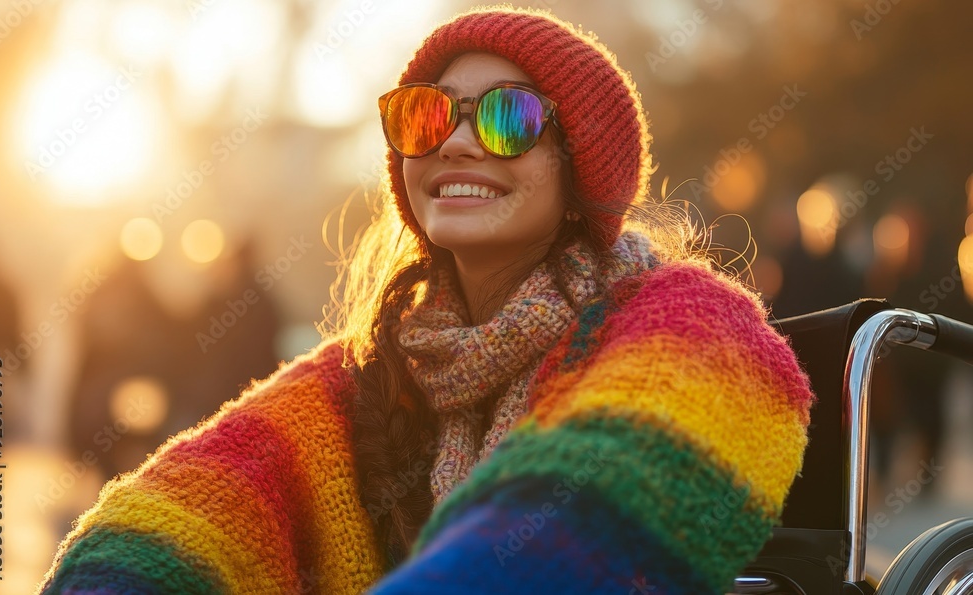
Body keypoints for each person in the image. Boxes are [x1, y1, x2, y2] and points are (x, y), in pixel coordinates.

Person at [39, 6, 814, 594]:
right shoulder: (366, 378)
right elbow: (163, 520)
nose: (455, 142)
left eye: (509, 119)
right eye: (427, 114)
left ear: (583, 175)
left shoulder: (692, 324)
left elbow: (580, 525)